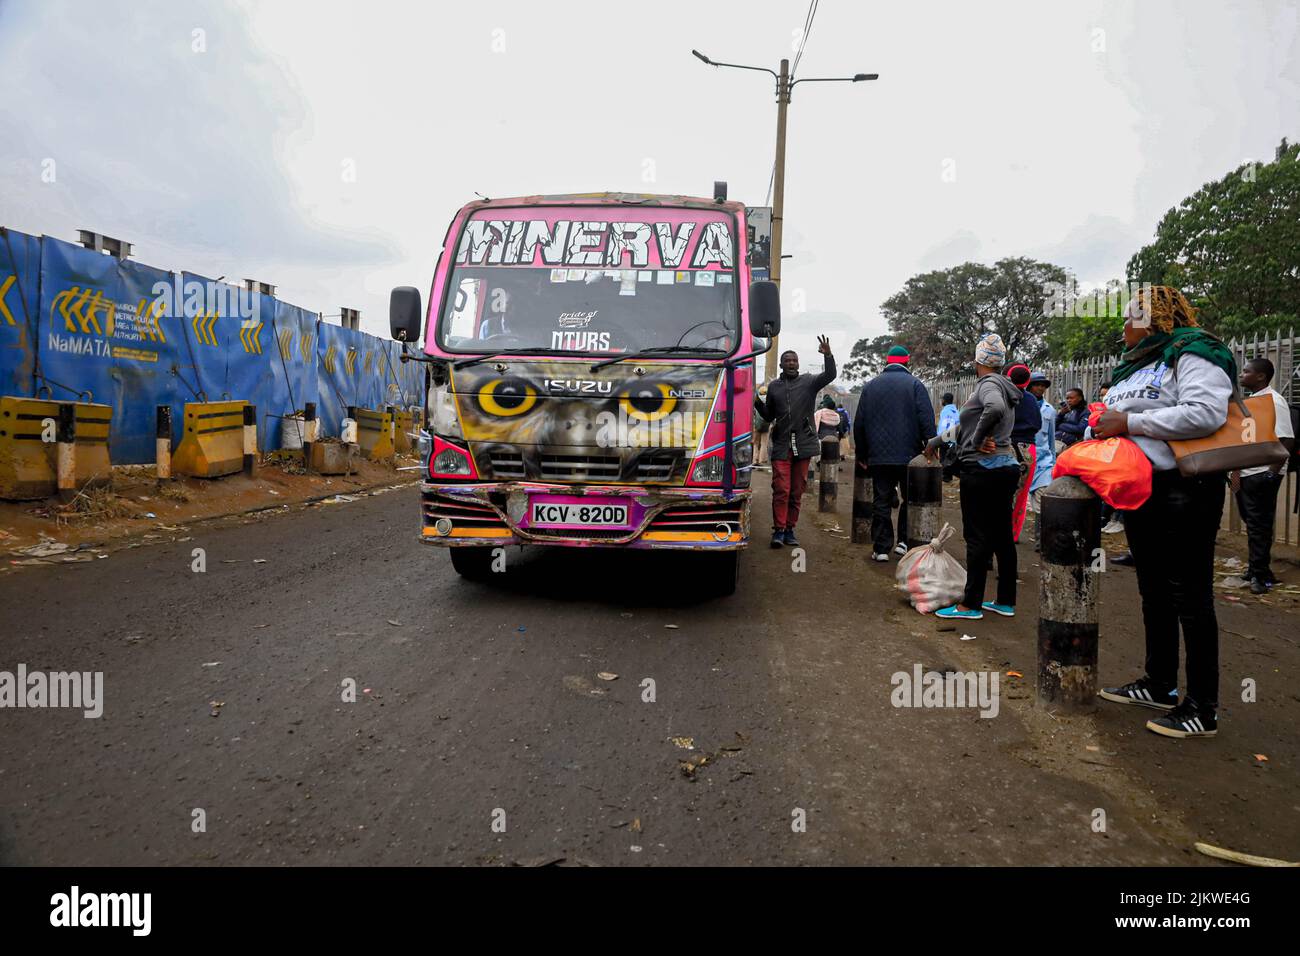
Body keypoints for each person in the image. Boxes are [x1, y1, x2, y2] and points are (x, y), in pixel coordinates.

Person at [1093, 287, 1234, 739]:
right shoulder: (1134, 364)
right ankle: (1158, 683)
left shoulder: (1193, 351)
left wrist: (1129, 422)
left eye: (1128, 319)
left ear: (1150, 319)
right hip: (1142, 488)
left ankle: (1202, 707)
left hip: (1186, 488)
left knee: (1190, 597)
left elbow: (1205, 413)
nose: (1122, 328)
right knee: (1153, 590)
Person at [924, 333, 1021, 619]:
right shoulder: (1005, 385)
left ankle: (970, 604)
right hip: (1005, 466)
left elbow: (993, 410)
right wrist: (936, 441)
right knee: (1002, 535)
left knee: (977, 535)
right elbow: (966, 426)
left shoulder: (988, 385)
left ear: (978, 360)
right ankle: (1005, 601)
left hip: (982, 468)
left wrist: (978, 440)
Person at [852, 345, 936, 561]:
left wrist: (862, 454)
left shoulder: (870, 387)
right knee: (909, 499)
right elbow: (926, 419)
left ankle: (881, 548)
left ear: (886, 362)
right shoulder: (916, 385)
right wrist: (931, 447)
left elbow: (859, 423)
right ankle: (904, 542)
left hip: (879, 457)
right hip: (910, 456)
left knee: (881, 499)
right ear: (907, 362)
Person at [755, 337, 836, 548]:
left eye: (794, 360)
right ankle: (778, 531)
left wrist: (827, 355)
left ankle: (790, 529)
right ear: (781, 364)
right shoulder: (774, 387)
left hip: (804, 442)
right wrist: (755, 400)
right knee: (781, 488)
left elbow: (830, 375)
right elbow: (768, 414)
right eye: (787, 360)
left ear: (798, 364)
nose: (791, 363)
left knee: (797, 489)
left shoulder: (809, 382)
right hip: (781, 444)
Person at [1230, 358, 1296, 594]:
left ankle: (1260, 575)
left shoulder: (1273, 401)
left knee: (1259, 524)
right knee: (1253, 522)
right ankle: (1258, 570)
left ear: (1260, 376)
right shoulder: (1252, 401)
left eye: (1246, 372)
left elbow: (1287, 439)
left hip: (1261, 473)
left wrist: (1270, 474)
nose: (1241, 375)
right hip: (1247, 472)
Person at [1006, 364, 1041, 542]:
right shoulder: (1031, 400)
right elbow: (1038, 424)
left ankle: (997, 532)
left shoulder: (1003, 397)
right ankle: (1013, 534)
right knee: (1021, 495)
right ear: (1028, 381)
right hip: (1028, 449)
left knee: (1001, 493)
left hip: (1005, 447)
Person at [1026, 371, 1056, 549]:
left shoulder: (1050, 410)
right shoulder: (1020, 405)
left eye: (1043, 385)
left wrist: (1053, 460)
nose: (1041, 388)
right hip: (1023, 458)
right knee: (1017, 500)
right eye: (1037, 384)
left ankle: (1040, 540)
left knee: (1042, 500)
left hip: (1044, 461)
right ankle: (1012, 533)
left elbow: (1051, 437)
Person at [753, 385, 771, 467]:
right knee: (764, 443)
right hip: (766, 425)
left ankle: (754, 460)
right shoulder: (769, 400)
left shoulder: (756, 400)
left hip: (757, 425)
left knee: (756, 443)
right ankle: (761, 460)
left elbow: (753, 412)